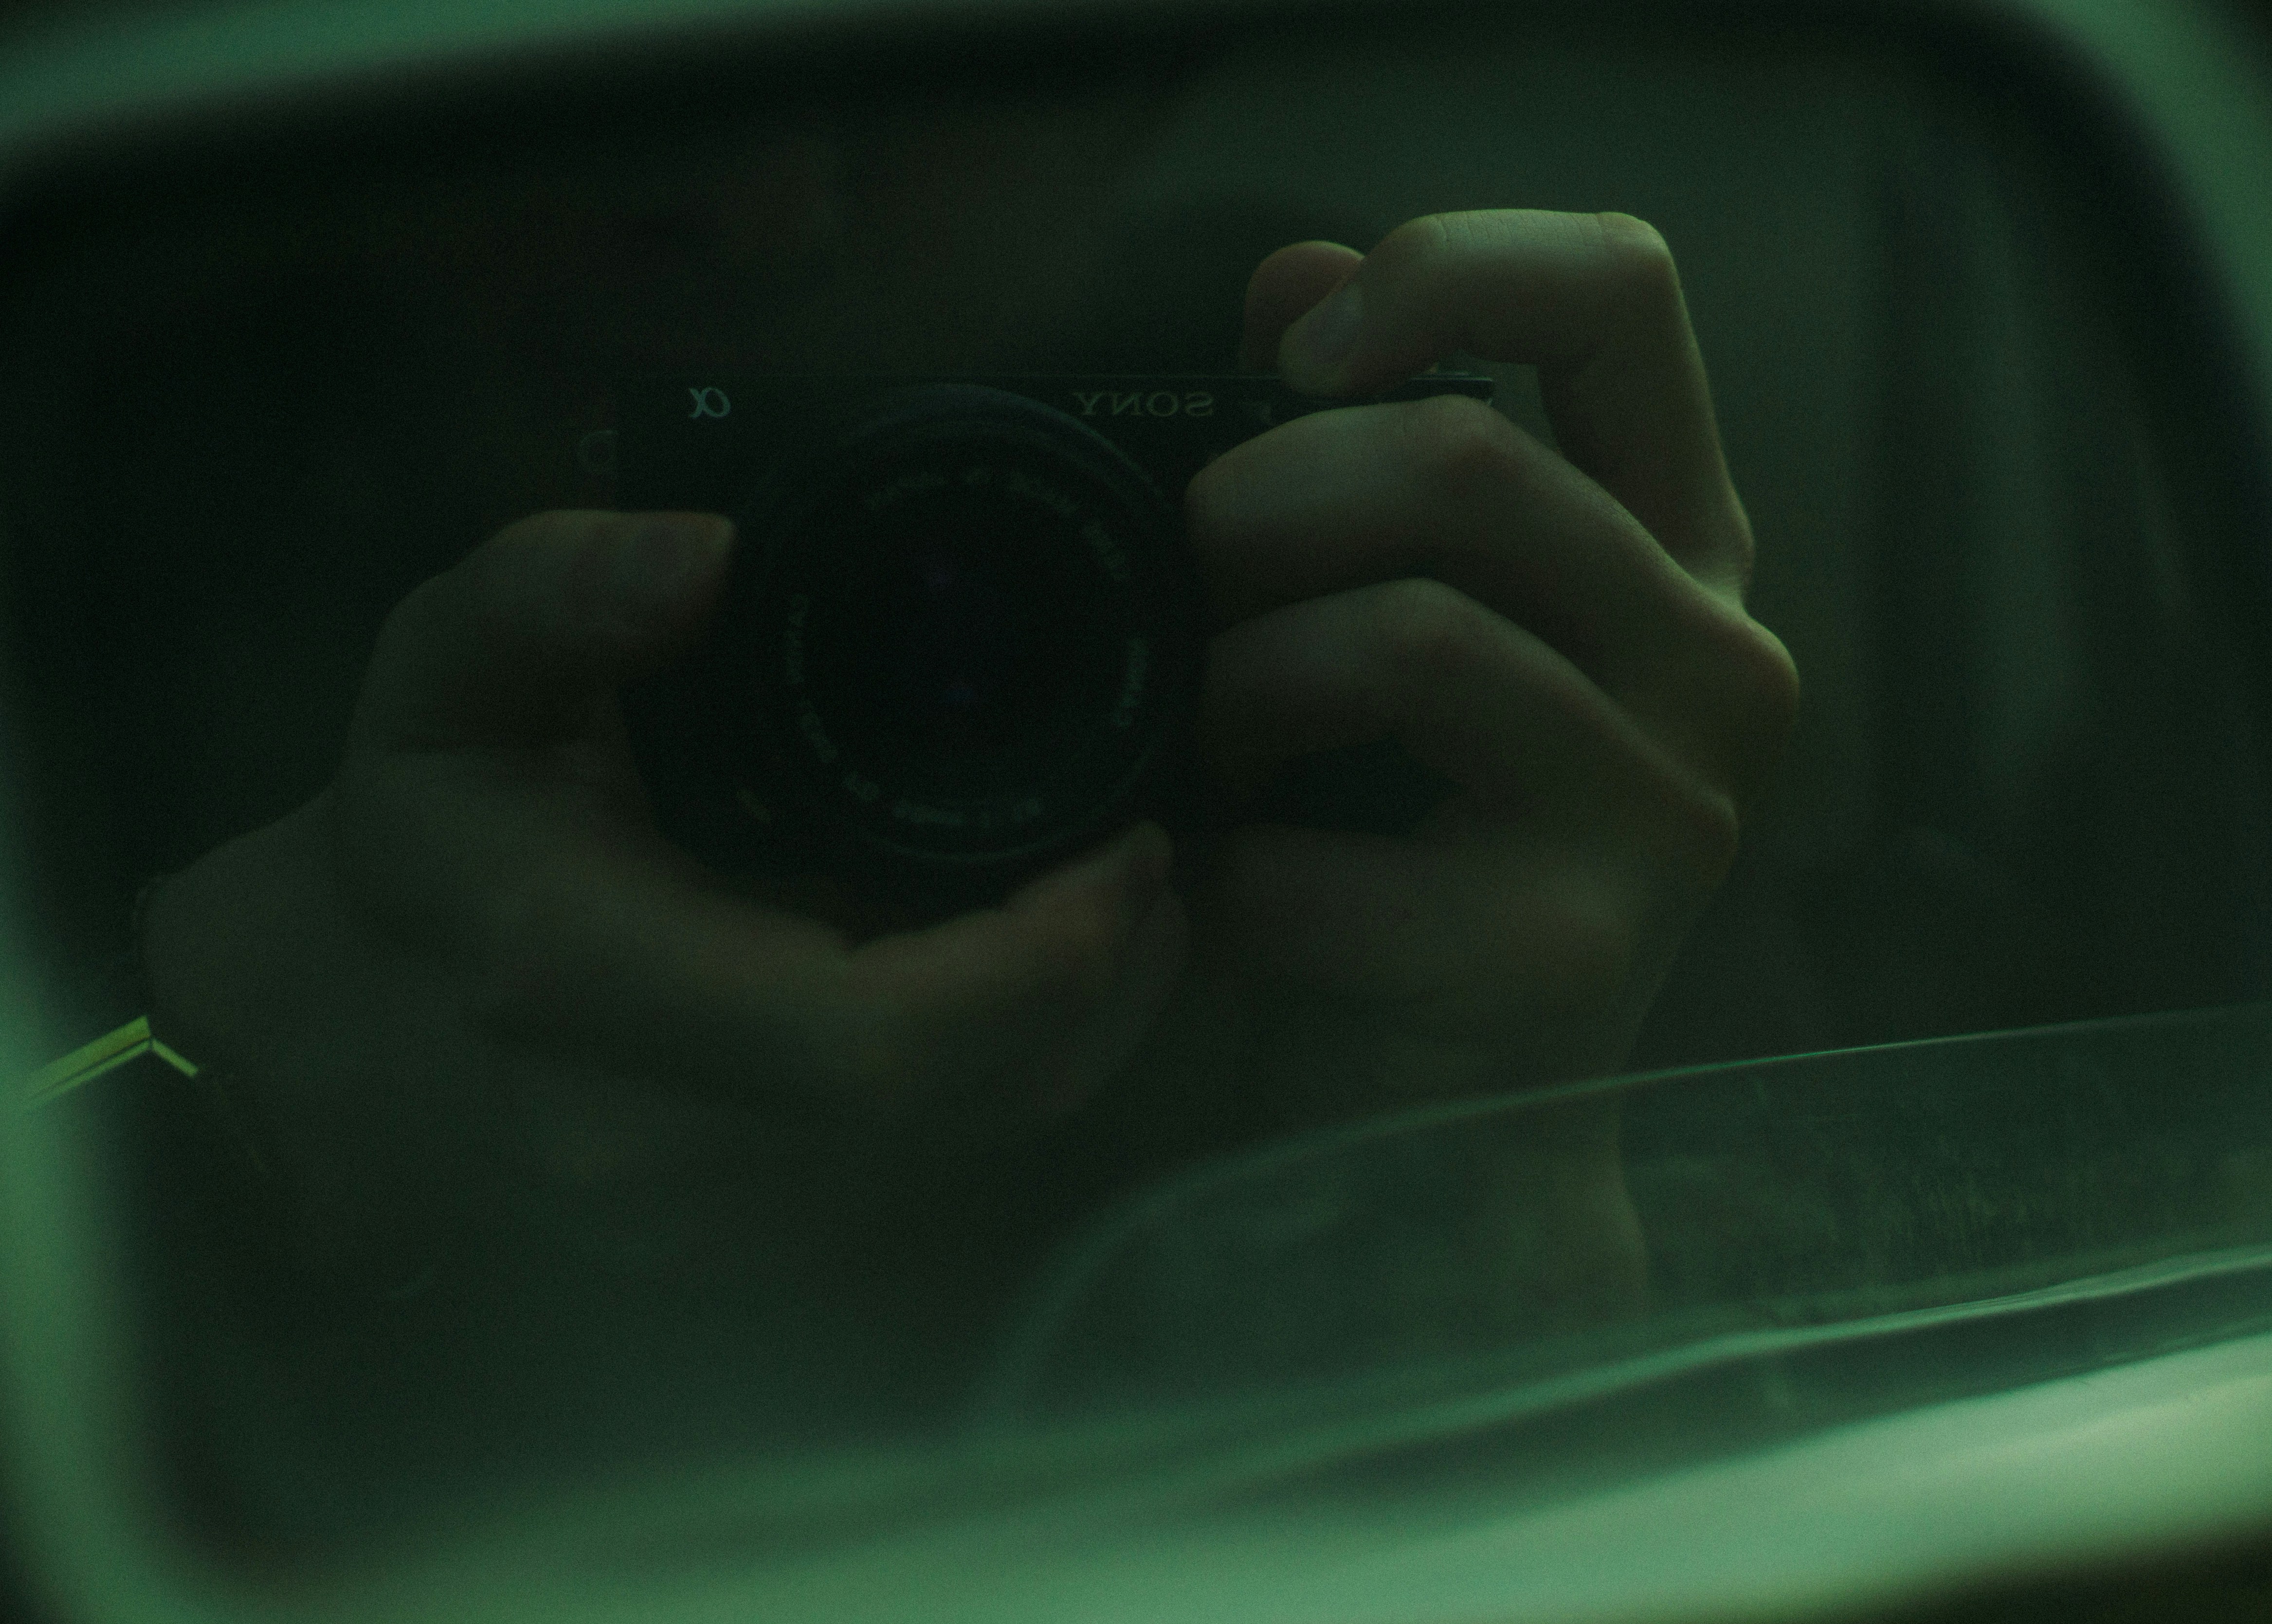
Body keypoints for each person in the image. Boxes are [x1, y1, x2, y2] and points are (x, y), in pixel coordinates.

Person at [91, 95, 1794, 1485]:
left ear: (1132, 92)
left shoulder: (1460, 631)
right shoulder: (91, 513)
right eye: (613, 38)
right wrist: (235, 1069)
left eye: (913, 59)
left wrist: (1492, 1215)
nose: (763, 199)